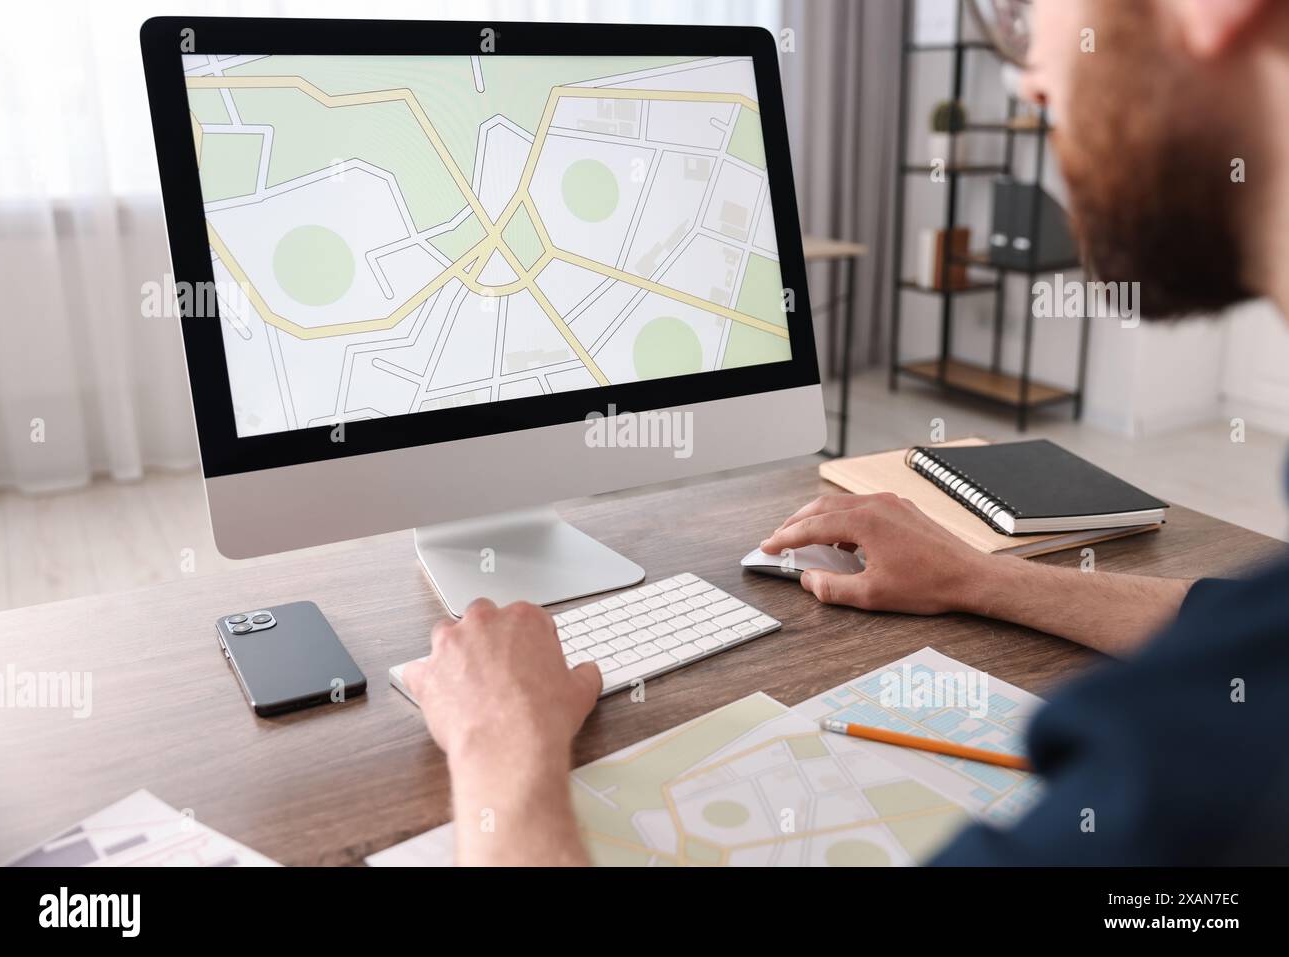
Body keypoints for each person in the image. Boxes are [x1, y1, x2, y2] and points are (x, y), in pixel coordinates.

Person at [404, 0, 1289, 866]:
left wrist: (500, 755)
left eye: (1023, 12)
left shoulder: (1202, 785)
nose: (1027, 83)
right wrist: (982, 579)